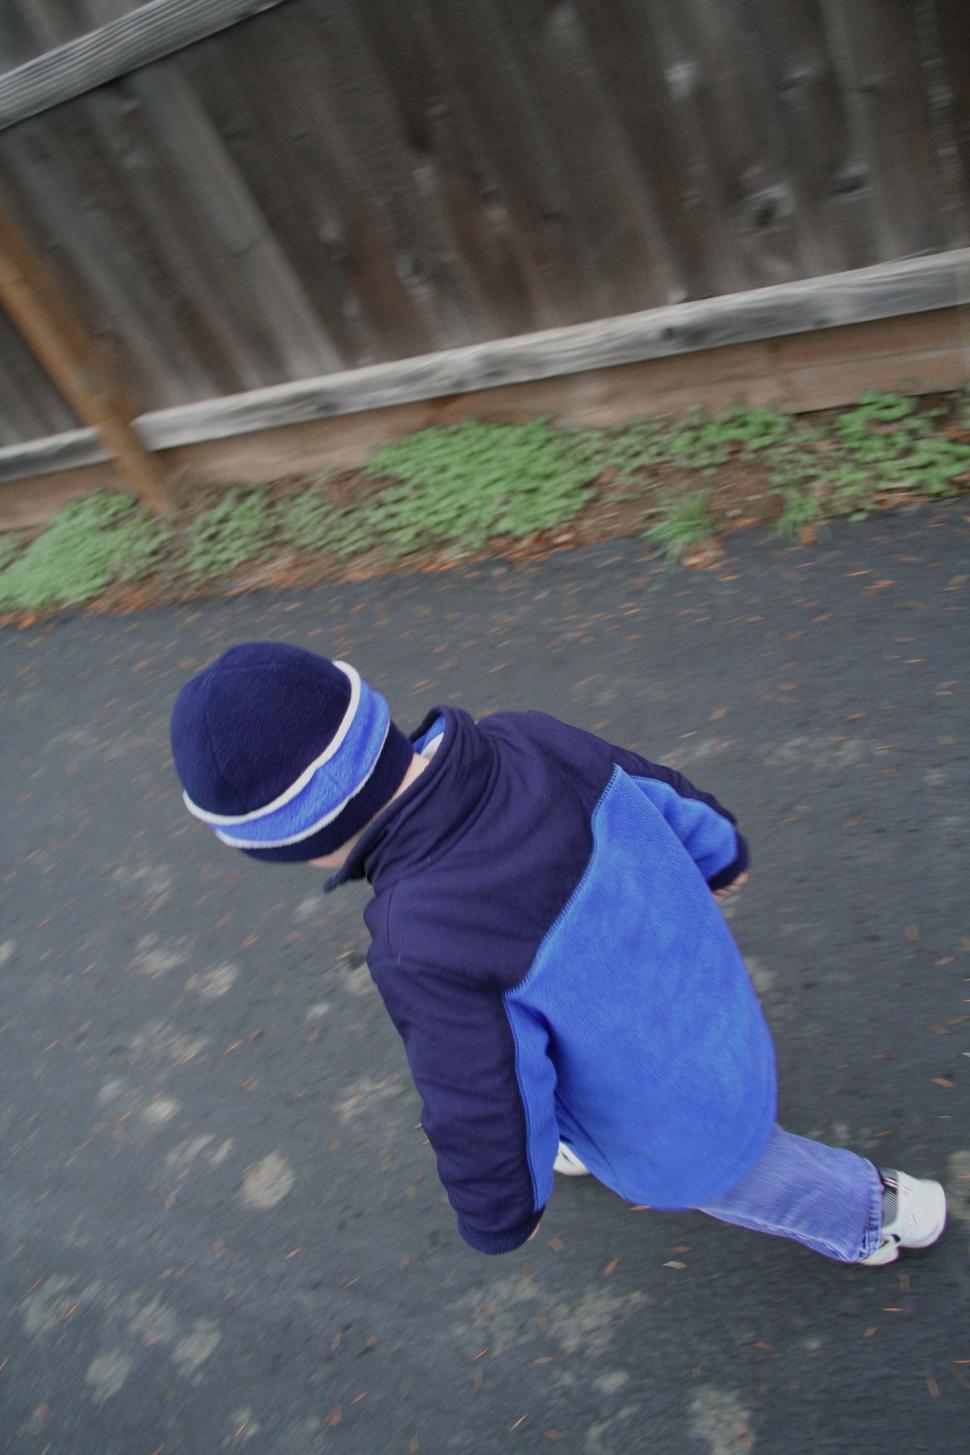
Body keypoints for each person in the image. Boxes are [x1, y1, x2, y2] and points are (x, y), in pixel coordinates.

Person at [169, 641, 946, 1266]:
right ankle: (579, 1139)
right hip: (702, 989)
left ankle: (876, 1211)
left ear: (297, 839)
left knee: (740, 1171)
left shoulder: (421, 940)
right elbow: (656, 788)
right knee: (566, 1047)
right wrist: (720, 852)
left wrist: (501, 1212)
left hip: (669, 1110)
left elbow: (484, 1095)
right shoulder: (527, 736)